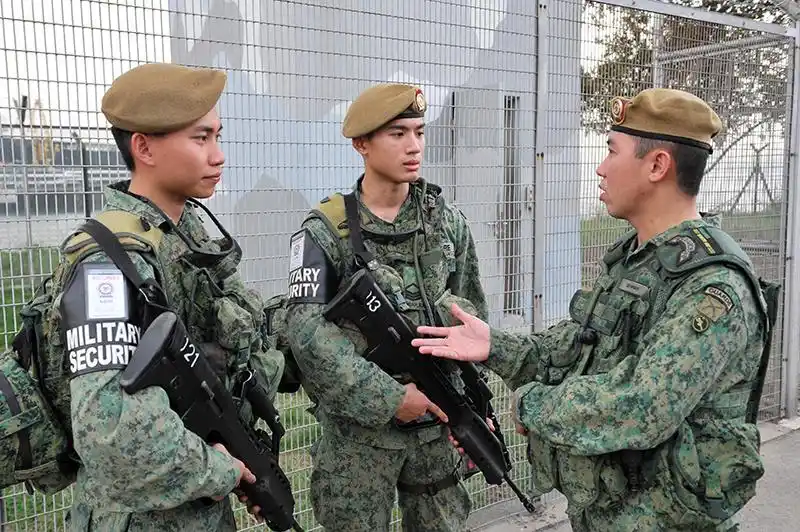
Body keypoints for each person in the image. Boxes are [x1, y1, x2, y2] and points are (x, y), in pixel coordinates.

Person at [411, 88, 775, 531]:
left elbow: (642, 406)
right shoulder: (639, 258)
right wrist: (493, 345)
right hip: (613, 511)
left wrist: (532, 406)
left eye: (611, 152)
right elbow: (577, 344)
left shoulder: (713, 286)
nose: (601, 169)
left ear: (657, 165)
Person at [41, 63, 285, 531]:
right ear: (144, 147)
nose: (219, 156)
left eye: (218, 135)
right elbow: (111, 430)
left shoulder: (183, 233)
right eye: (201, 139)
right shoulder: (107, 263)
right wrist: (221, 469)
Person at [283, 83, 489, 531]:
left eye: (418, 132)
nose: (414, 146)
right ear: (361, 144)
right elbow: (307, 336)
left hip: (437, 428)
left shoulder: (447, 223)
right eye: (397, 134)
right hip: (359, 438)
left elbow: (474, 320)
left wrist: (474, 408)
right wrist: (391, 398)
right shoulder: (325, 231)